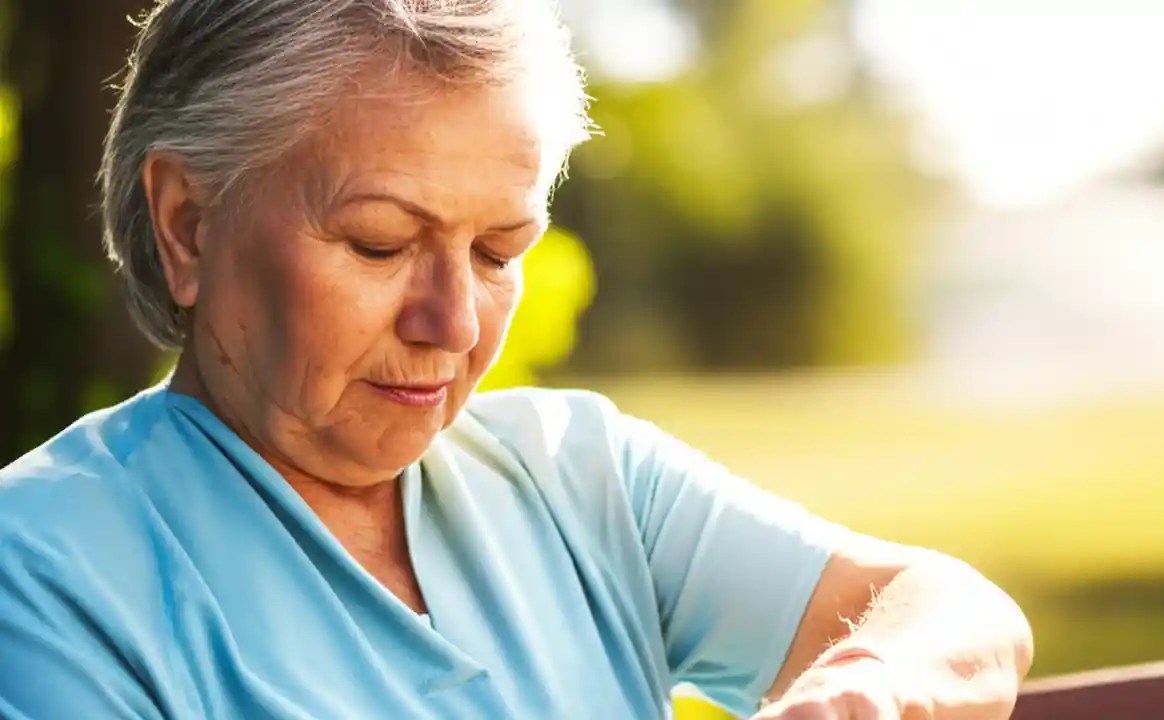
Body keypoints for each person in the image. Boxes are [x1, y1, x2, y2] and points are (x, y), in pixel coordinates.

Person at [0, 1, 1033, 718]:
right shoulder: (43, 568)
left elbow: (955, 612)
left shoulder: (574, 473)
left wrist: (864, 682)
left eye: (499, 251)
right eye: (379, 242)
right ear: (186, 224)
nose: (452, 323)